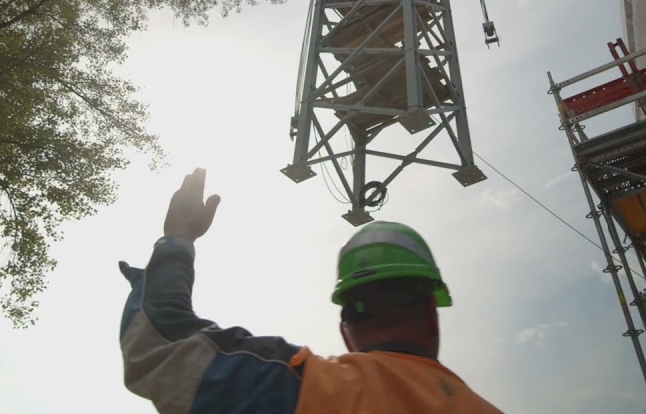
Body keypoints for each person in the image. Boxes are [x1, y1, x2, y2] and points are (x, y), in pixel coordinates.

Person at [118, 167, 502, 413]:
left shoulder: (316, 392)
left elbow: (158, 347)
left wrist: (176, 241)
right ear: (432, 312)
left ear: (345, 329)